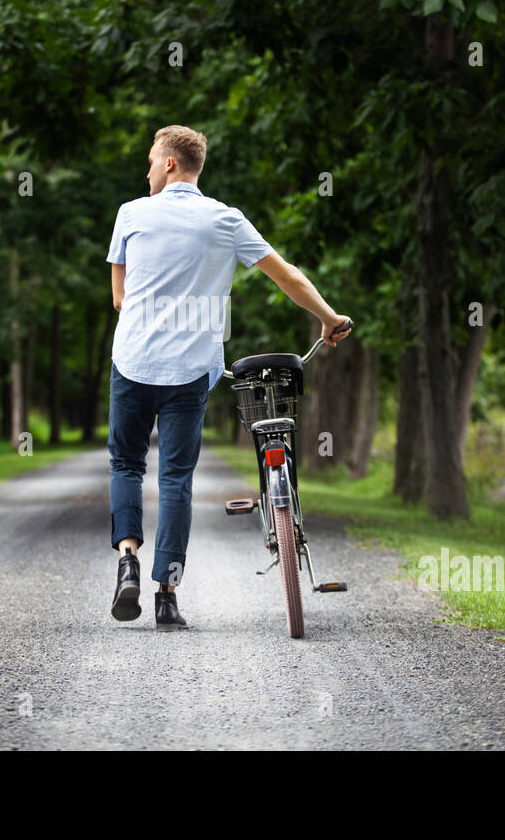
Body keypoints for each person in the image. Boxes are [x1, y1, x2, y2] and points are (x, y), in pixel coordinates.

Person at [105, 124, 351, 630]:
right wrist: (328, 319)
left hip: (133, 362)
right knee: (175, 478)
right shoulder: (226, 220)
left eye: (152, 159)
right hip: (191, 368)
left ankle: (127, 556)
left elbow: (119, 299)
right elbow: (287, 276)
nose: (147, 168)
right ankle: (166, 594)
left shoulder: (131, 214)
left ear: (170, 163)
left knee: (127, 465)